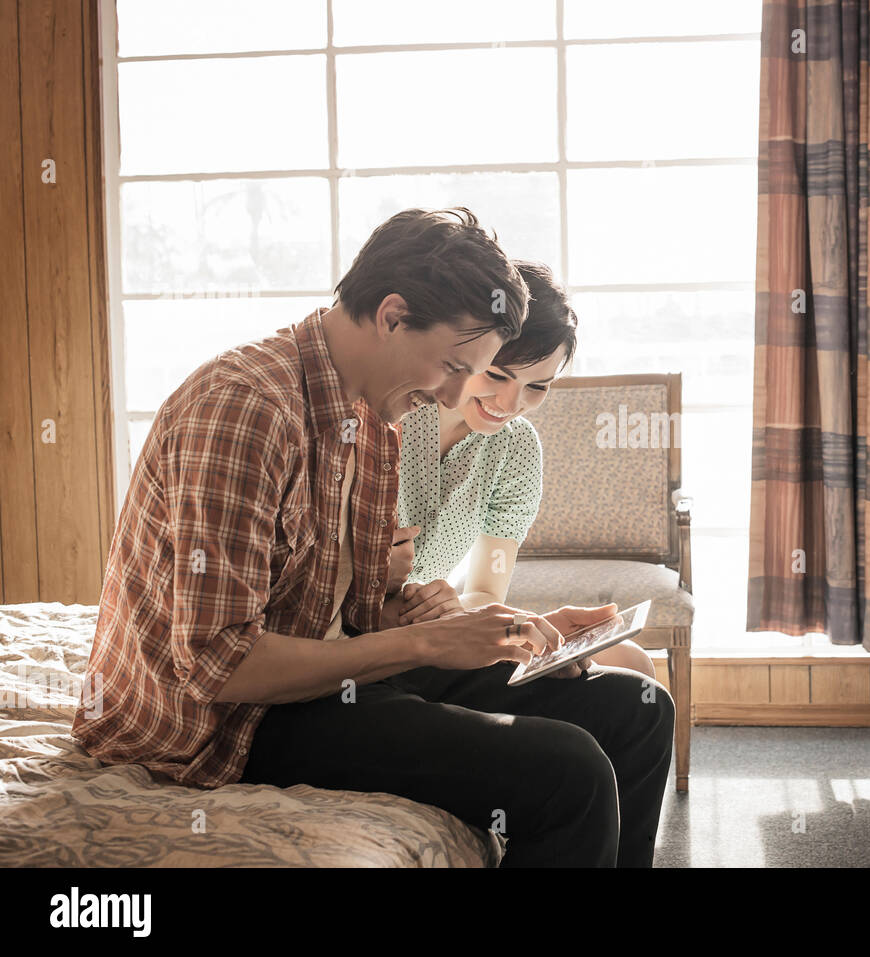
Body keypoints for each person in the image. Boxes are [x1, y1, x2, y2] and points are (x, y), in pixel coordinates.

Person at [71, 208, 674, 868]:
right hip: (229, 720)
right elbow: (220, 664)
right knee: (569, 770)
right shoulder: (245, 407)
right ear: (392, 316)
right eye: (455, 366)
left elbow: (351, 615)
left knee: (635, 711)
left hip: (325, 672)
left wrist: (515, 631)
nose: (456, 394)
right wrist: (425, 641)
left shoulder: (372, 408)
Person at [389, 261, 657, 680]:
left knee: (631, 660)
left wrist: (461, 611)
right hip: (379, 635)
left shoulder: (516, 446)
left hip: (446, 625)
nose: (511, 404)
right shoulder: (394, 413)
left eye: (537, 386)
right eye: (497, 375)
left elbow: (485, 590)